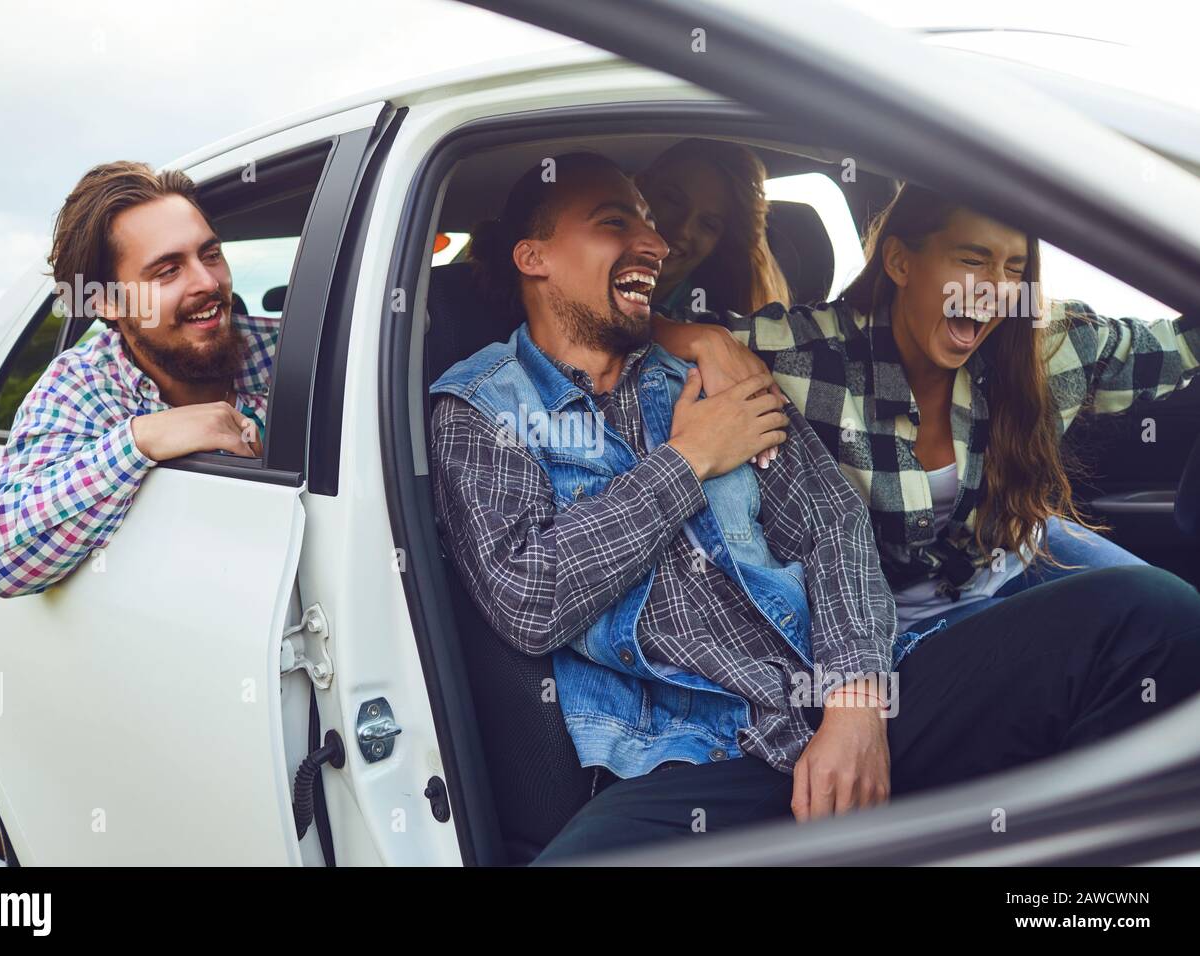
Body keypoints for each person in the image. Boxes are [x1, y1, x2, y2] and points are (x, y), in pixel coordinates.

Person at [428, 154, 1200, 864]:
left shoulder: (714, 372)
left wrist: (857, 708)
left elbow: (833, 527)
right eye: (615, 222)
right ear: (533, 256)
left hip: (836, 702)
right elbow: (530, 599)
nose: (656, 243)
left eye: (649, 223)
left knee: (1148, 613)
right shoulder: (482, 407)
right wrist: (689, 460)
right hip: (692, 760)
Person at [655, 181, 1200, 648]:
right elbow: (631, 329)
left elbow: (1173, 346)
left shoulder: (1038, 348)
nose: (996, 288)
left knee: (1177, 623)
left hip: (1019, 554)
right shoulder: (810, 354)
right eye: (971, 260)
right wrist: (703, 337)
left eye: (1013, 268)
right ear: (900, 262)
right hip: (902, 636)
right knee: (1141, 634)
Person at [0, 161, 272, 598]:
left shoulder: (295, 349)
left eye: (210, 254)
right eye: (168, 271)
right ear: (107, 302)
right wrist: (141, 439)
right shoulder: (82, 385)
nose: (208, 282)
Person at [634, 137, 792, 316]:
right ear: (640, 187)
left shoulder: (715, 320)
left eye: (708, 224)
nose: (683, 229)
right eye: (673, 200)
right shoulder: (597, 273)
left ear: (721, 242)